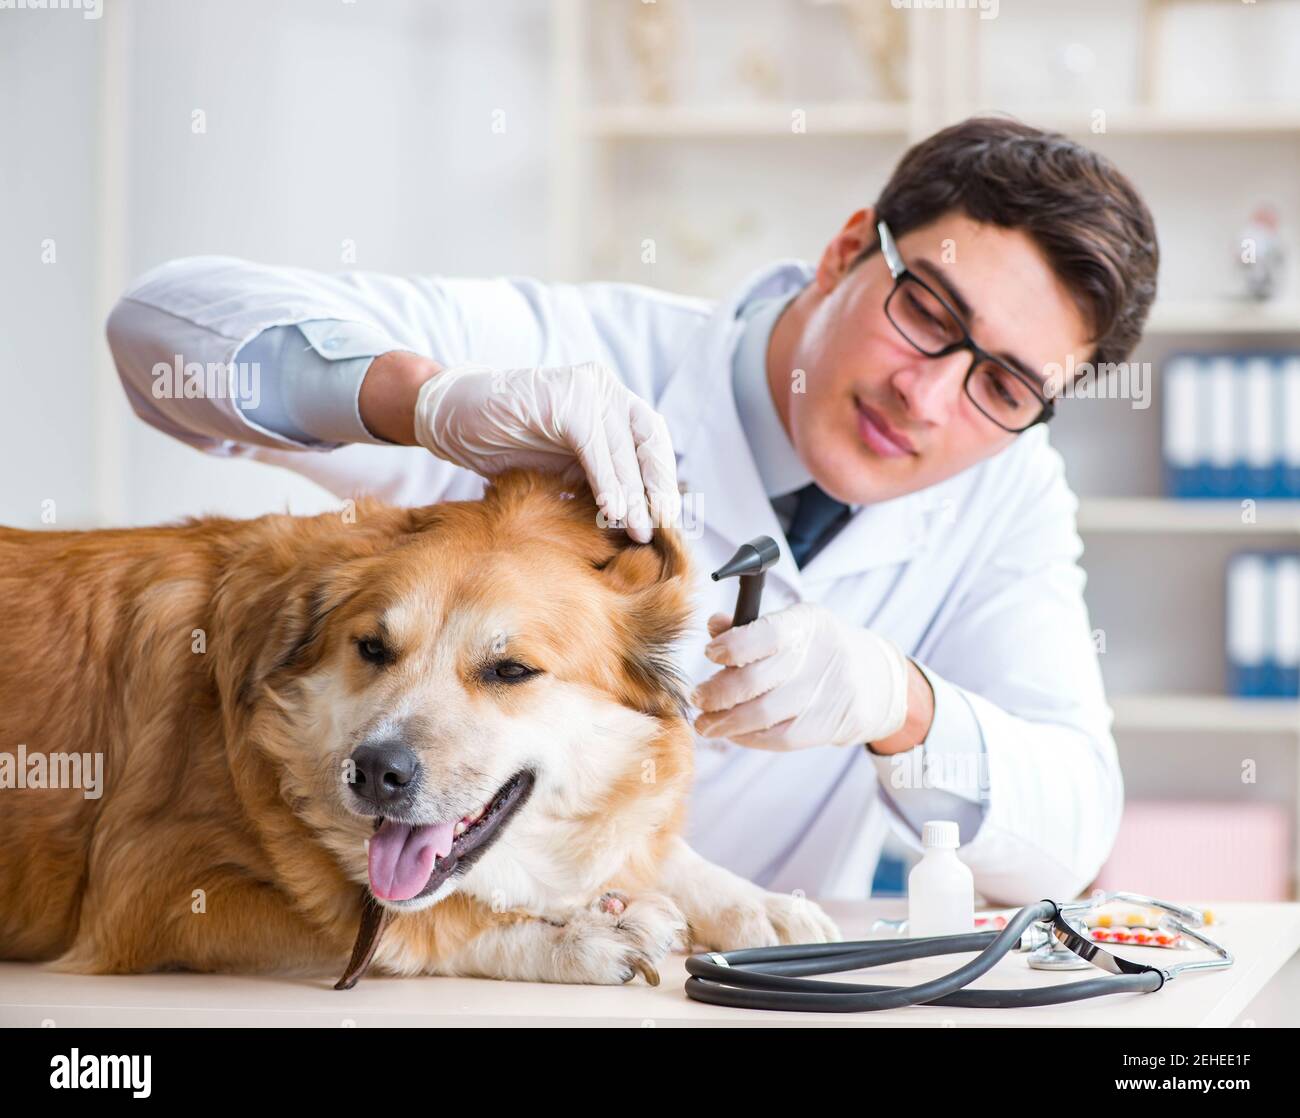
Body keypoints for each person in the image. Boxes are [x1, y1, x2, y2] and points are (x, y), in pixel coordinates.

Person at [106, 117, 1159, 904]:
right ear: (847, 249)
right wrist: (420, 402)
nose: (925, 395)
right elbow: (157, 328)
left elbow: (1068, 835)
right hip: (451, 974)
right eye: (925, 310)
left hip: (748, 1004)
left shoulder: (1004, 494)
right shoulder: (583, 359)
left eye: (1006, 386)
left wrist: (903, 704)